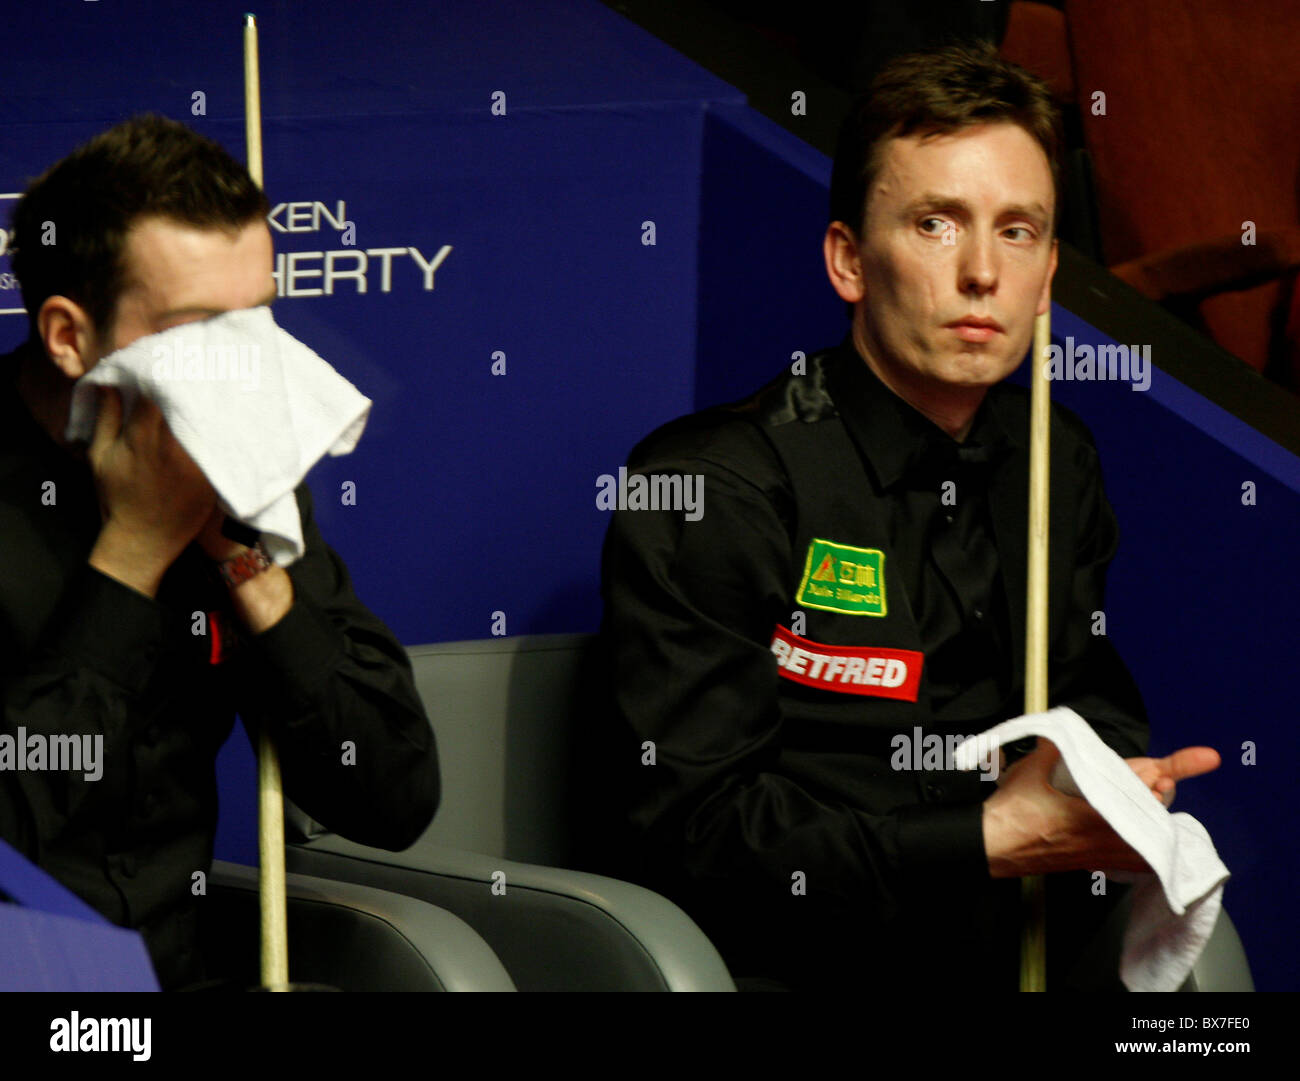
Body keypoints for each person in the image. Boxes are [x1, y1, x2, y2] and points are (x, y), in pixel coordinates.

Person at [589, 43, 1219, 990]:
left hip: (1022, 950)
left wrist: (1108, 785)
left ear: (1048, 274)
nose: (980, 273)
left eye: (1017, 232)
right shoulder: (715, 485)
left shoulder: (1057, 458)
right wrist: (977, 839)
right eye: (936, 223)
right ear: (848, 259)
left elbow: (1088, 692)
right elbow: (691, 835)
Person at [0, 115, 440, 989]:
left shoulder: (234, 470)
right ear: (68, 336)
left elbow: (392, 791)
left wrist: (247, 566)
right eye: (204, 330)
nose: (247, 369)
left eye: (259, 321)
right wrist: (132, 552)